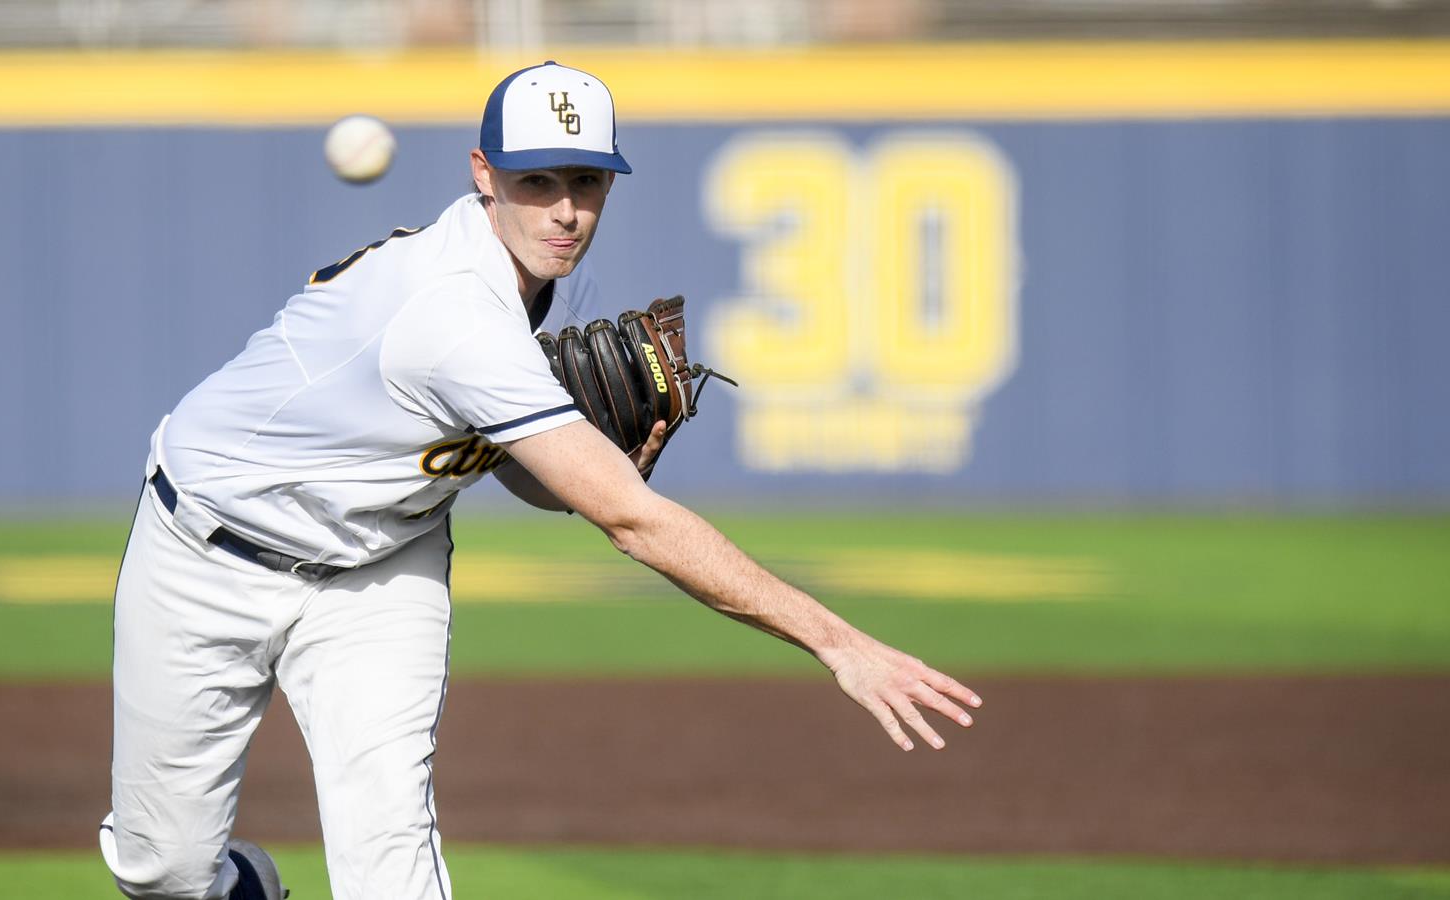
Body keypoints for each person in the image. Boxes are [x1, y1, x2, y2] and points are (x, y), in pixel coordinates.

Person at [98, 60, 982, 900]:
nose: (565, 211)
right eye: (537, 182)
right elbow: (631, 524)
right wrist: (840, 644)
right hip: (208, 548)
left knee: (388, 851)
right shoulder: (452, 314)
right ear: (484, 173)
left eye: (587, 182)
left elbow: (524, 477)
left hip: (380, 567)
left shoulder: (562, 278)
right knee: (163, 873)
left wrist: (578, 472)